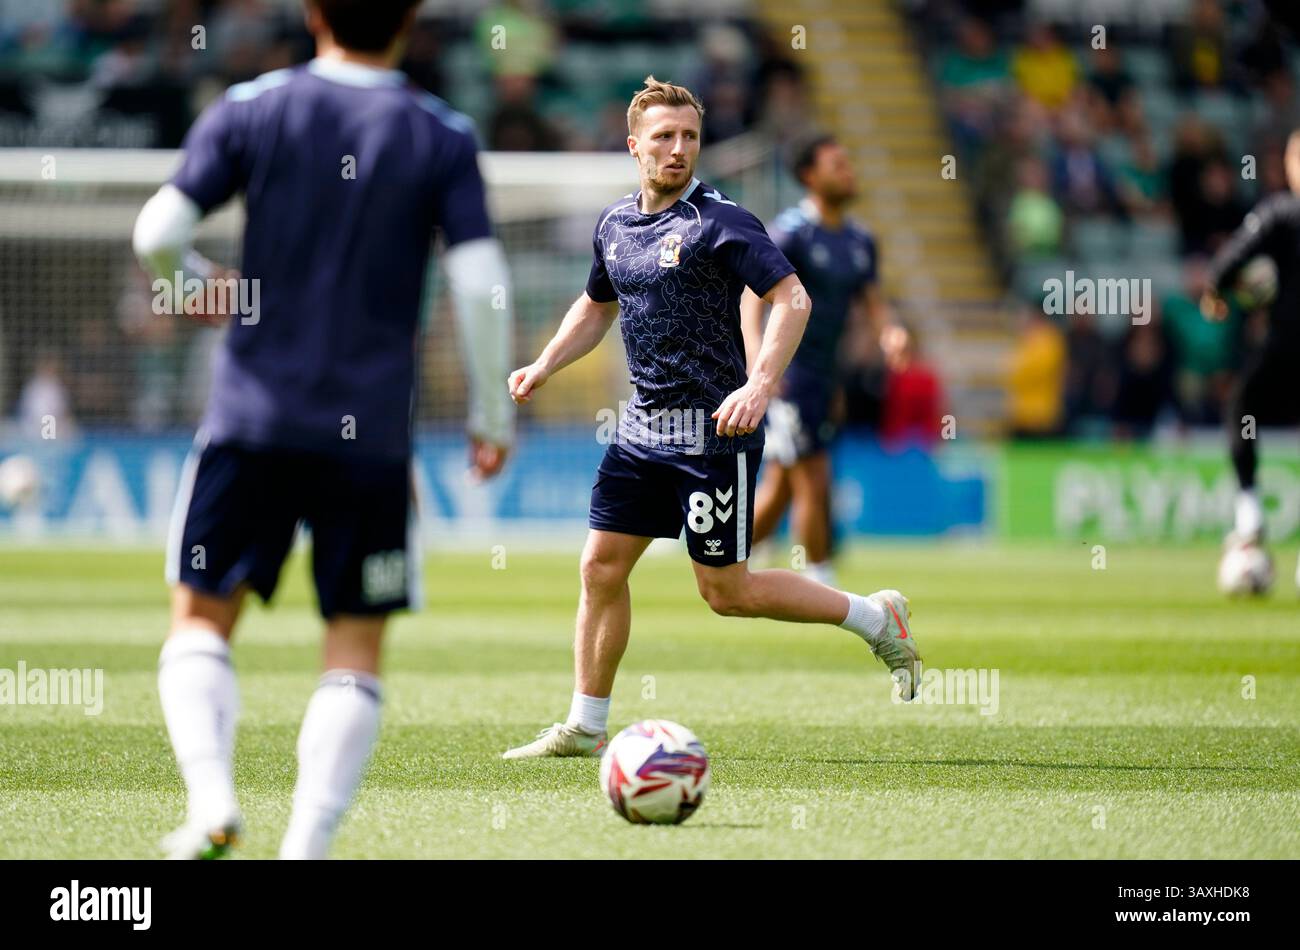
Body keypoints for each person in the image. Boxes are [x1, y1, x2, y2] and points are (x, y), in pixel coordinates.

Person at [131, 0, 513, 858]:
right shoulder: (441, 134)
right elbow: (482, 283)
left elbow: (157, 232)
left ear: (310, 12)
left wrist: (197, 290)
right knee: (352, 645)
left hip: (249, 421)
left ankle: (210, 804)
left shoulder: (250, 107)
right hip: (370, 435)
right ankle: (305, 848)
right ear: (410, 19)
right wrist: (492, 412)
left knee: (199, 621)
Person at [501, 77, 920, 760]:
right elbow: (596, 306)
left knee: (726, 592)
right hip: (640, 430)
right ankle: (585, 725)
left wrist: (759, 382)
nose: (678, 149)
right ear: (634, 145)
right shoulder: (616, 225)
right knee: (601, 567)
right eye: (664, 137)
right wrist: (545, 364)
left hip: (712, 434)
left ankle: (874, 617)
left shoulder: (721, 221)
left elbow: (791, 298)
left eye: (690, 137)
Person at [740, 132, 887, 585]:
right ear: (810, 175)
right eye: (837, 165)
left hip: (826, 375)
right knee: (813, 472)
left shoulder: (861, 241)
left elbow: (872, 302)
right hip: (790, 373)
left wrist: (892, 334)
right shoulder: (791, 233)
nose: (849, 172)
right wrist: (757, 364)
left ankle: (726, 557)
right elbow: (751, 297)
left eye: (848, 163)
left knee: (783, 482)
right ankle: (820, 575)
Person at [1202, 129, 1300, 592]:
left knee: (1243, 408)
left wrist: (1219, 294)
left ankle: (1249, 515)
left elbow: (1226, 264)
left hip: (1287, 349)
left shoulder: (1281, 212)